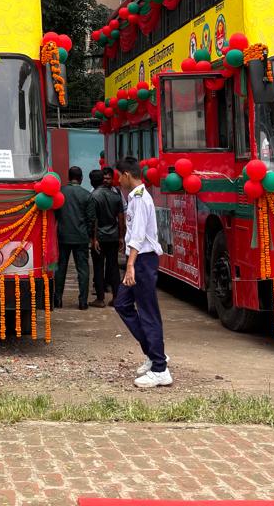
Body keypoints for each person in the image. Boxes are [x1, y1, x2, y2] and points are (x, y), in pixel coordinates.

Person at [113, 156, 170, 387]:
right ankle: (154, 353)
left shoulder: (140, 199)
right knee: (122, 304)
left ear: (127, 175)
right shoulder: (136, 197)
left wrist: (130, 266)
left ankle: (160, 368)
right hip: (139, 260)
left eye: (119, 176)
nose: (118, 180)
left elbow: (137, 236)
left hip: (142, 261)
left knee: (148, 312)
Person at [53, 166, 95, 310]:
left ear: (68, 177)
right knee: (83, 270)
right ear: (81, 178)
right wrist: (88, 235)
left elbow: (55, 215)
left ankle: (58, 299)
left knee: (60, 269)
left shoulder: (60, 193)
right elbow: (91, 219)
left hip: (63, 236)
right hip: (81, 237)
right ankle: (83, 302)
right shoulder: (87, 195)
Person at [89, 168, 123, 306]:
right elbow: (121, 218)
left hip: (100, 237)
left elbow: (94, 219)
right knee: (113, 267)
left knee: (98, 267)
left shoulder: (94, 196)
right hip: (113, 236)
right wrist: (121, 237)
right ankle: (116, 297)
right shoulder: (116, 196)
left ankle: (100, 298)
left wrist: (94, 238)